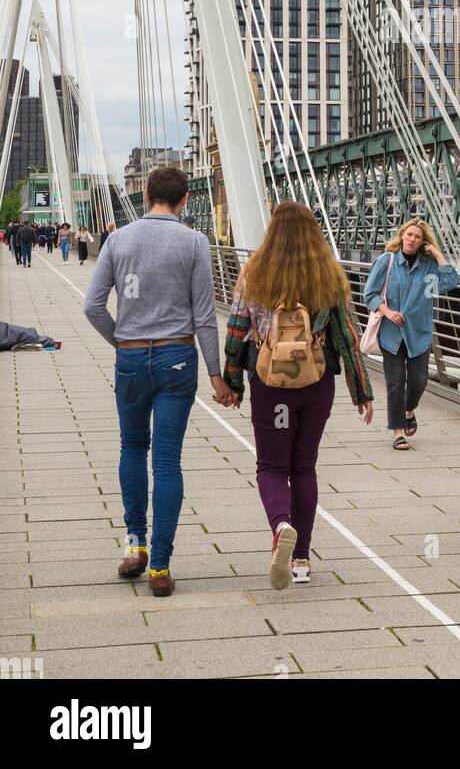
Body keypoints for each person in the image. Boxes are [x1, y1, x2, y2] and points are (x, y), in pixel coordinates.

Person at [84, 165, 234, 596]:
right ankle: (161, 567)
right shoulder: (194, 242)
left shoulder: (118, 239)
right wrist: (216, 374)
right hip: (177, 357)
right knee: (167, 460)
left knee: (132, 447)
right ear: (185, 198)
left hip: (131, 357)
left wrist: (123, 342)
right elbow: (205, 316)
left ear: (147, 194)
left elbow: (93, 306)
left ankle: (135, 545)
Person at [222, 201, 374, 589]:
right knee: (304, 467)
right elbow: (347, 336)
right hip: (315, 382)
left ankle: (281, 525)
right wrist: (361, 391)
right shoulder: (328, 274)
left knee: (272, 467)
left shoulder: (254, 272)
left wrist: (233, 380)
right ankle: (302, 558)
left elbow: (237, 328)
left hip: (271, 387)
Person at [363, 217, 459, 450]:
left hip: (419, 334)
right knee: (395, 382)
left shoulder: (427, 268)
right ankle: (398, 433)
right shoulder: (387, 261)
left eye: (417, 237)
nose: (412, 239)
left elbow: (450, 282)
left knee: (419, 380)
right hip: (391, 334)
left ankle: (408, 410)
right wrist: (387, 312)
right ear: (402, 236)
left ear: (422, 241)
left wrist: (436, 253)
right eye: (409, 235)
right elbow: (370, 294)